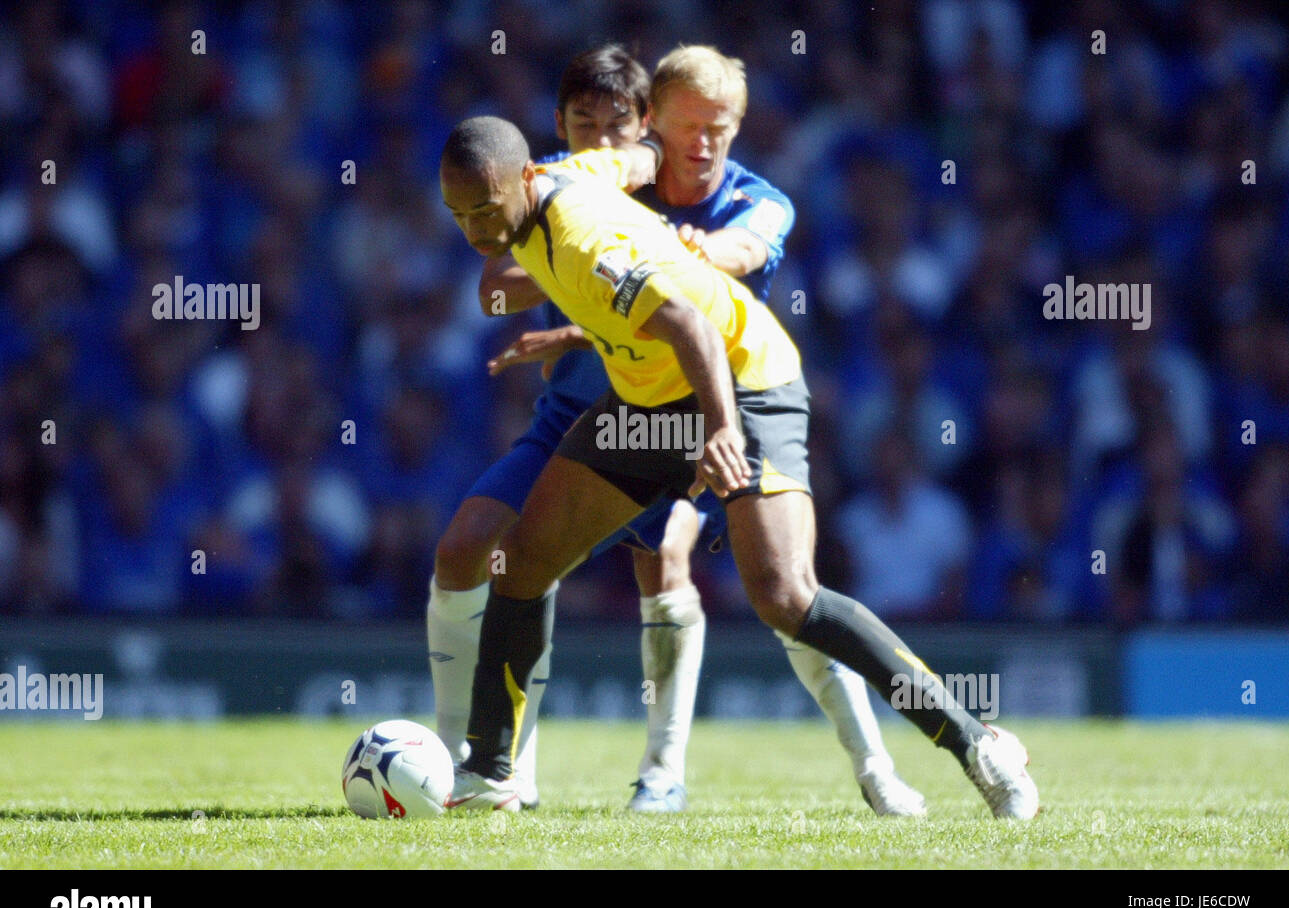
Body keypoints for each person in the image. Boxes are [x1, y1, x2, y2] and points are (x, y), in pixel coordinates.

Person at [437, 114, 1040, 819]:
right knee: (525, 555)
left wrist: (721, 429)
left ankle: (979, 744)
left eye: (485, 208)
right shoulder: (571, 176)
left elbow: (689, 322)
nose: (477, 229)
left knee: (787, 596)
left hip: (744, 381)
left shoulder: (577, 237)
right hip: (652, 396)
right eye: (458, 214)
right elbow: (634, 166)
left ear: (525, 180)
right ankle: (489, 770)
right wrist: (653, 152)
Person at [486, 45, 924, 815]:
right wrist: (566, 324)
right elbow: (557, 289)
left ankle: (875, 766)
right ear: (659, 125)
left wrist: (676, 253)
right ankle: (617, 772)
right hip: (641, 408)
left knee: (778, 591)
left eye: (717, 128)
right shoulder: (611, 182)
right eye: (687, 126)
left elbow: (716, 269)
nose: (701, 142)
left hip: (741, 407)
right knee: (622, 560)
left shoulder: (761, 201)